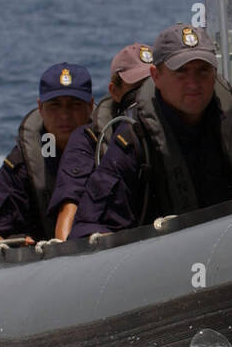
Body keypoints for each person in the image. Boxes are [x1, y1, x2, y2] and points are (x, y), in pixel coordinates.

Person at [68, 24, 232, 238]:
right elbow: (92, 227)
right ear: (156, 76)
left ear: (215, 71)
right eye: (181, 72)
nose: (194, 83)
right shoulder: (134, 137)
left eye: (202, 71)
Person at [0, 62, 94, 244]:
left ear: (91, 106)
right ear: (40, 108)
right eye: (54, 105)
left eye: (75, 105)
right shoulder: (24, 163)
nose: (64, 115)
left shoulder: (110, 147)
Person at [48, 43, 154, 241]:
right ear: (114, 91)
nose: (64, 115)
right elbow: (70, 205)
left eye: (151, 85)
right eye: (137, 88)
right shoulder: (87, 140)